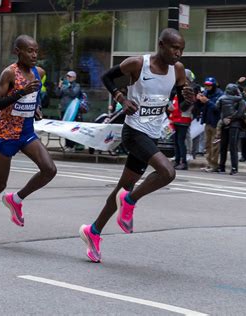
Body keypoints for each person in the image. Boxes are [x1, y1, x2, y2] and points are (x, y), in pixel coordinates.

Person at [79, 28, 194, 263]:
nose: (178, 53)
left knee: (124, 186)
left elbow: (181, 104)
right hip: (134, 132)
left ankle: (93, 231)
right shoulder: (138, 64)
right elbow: (107, 77)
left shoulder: (178, 70)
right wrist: (121, 99)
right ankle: (130, 201)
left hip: (152, 133)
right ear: (161, 45)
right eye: (174, 48)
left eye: (181, 49)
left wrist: (187, 98)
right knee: (167, 172)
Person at [0, 35, 57, 243]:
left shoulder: (38, 72)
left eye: (36, 51)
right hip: (7, 134)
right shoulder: (9, 74)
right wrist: (19, 93)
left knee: (49, 169)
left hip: (26, 132)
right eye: (29, 51)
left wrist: (37, 108)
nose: (34, 55)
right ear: (18, 51)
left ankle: (16, 199)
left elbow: (35, 97)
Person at [216, 83, 246, 174]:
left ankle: (229, 167)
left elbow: (218, 109)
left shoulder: (223, 98)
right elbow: (241, 113)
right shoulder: (239, 99)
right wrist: (227, 119)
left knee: (229, 146)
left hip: (231, 124)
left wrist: (226, 119)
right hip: (231, 124)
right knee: (227, 146)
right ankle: (227, 167)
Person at [168, 68, 195, 170]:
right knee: (176, 141)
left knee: (180, 141)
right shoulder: (178, 90)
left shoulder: (189, 91)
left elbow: (186, 106)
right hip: (175, 119)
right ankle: (177, 160)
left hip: (183, 120)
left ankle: (183, 162)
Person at [197, 77, 223, 172]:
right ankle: (209, 163)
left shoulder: (220, 94)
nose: (207, 87)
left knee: (215, 145)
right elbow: (200, 107)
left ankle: (214, 165)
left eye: (209, 85)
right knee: (207, 144)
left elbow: (217, 108)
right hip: (207, 121)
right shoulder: (206, 93)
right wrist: (199, 100)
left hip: (216, 123)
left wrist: (207, 101)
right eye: (206, 85)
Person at [55, 70, 81, 151]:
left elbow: (74, 94)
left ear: (74, 78)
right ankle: (67, 144)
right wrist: (59, 86)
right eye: (67, 76)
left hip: (72, 110)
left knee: (71, 128)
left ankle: (72, 146)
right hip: (64, 109)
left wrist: (69, 86)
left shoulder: (77, 85)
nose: (68, 78)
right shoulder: (64, 86)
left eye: (70, 76)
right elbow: (58, 94)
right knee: (65, 128)